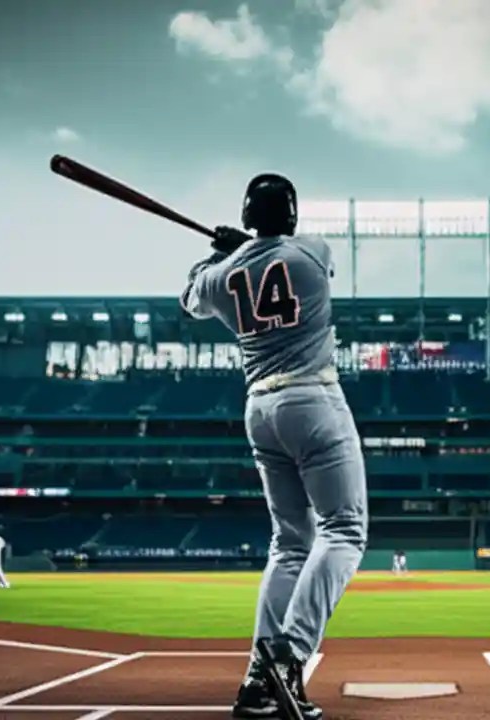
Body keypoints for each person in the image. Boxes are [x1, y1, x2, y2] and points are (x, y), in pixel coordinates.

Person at [181, 173, 368, 720]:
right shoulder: (312, 253)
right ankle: (290, 654)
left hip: (258, 408)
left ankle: (256, 682)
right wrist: (245, 247)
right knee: (343, 531)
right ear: (290, 214)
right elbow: (289, 257)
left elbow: (189, 295)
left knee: (289, 544)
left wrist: (218, 254)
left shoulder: (219, 278)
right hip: (313, 400)